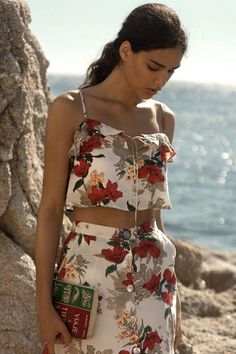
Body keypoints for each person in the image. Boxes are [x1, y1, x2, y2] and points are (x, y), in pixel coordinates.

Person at [35, 3, 188, 354]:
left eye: (170, 71)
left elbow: (155, 215)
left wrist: (173, 294)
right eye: (154, 66)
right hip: (90, 276)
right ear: (125, 50)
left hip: (155, 276)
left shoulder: (164, 119)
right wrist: (43, 303)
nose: (160, 80)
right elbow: (50, 210)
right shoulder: (72, 109)